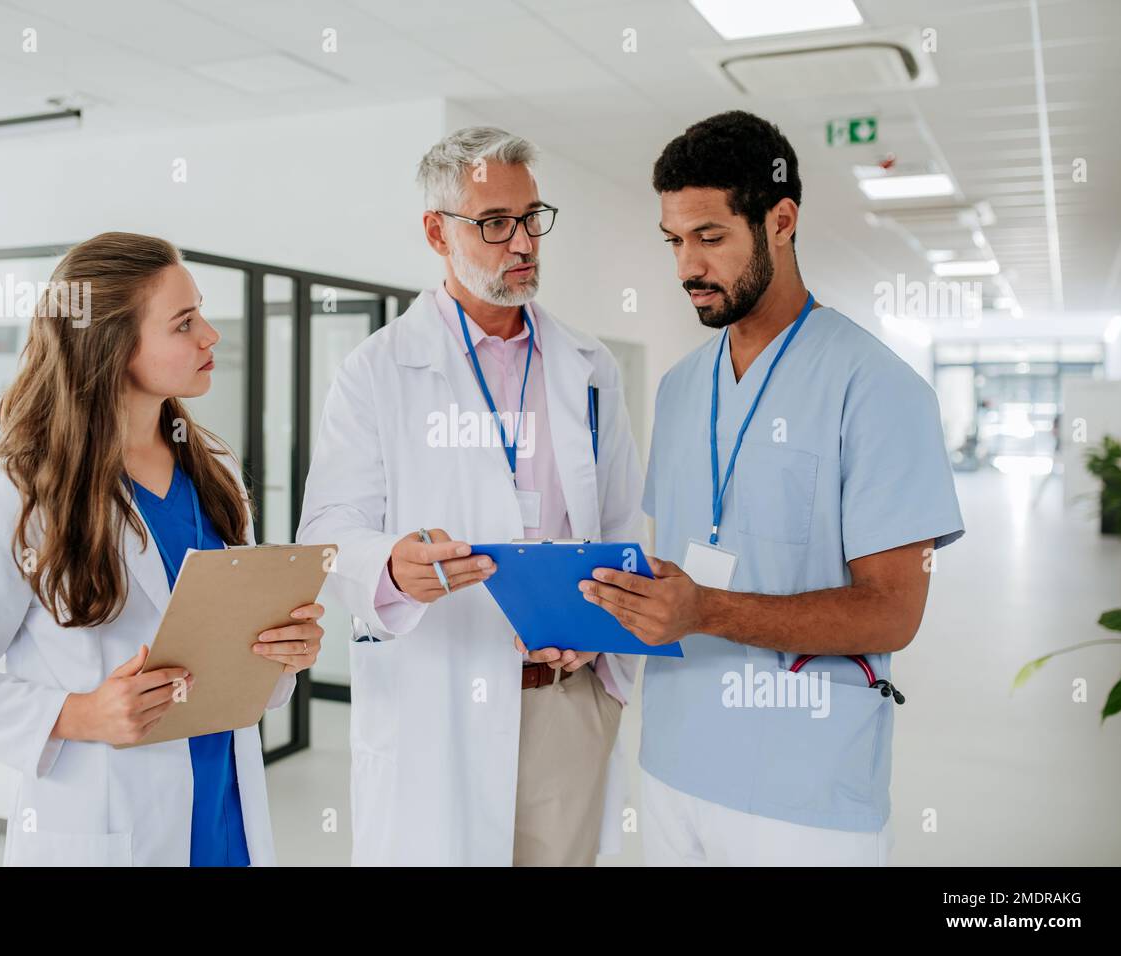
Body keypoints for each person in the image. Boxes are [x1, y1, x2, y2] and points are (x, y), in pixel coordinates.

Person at [580, 111, 965, 865]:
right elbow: (678, 564)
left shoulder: (880, 389)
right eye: (674, 240)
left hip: (807, 792)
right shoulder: (682, 387)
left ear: (780, 221)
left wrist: (705, 610)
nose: (687, 264)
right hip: (672, 764)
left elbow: (893, 610)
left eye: (711, 236)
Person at [0, 232, 323, 866]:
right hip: (106, 827)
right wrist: (78, 714)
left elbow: (233, 665)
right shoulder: (23, 492)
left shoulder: (216, 471)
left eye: (200, 313)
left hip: (223, 817)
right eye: (184, 323)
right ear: (113, 345)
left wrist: (282, 656)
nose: (211, 335)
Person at [297, 127, 645, 866]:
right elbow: (328, 528)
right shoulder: (378, 371)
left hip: (563, 697)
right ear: (437, 231)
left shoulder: (588, 368)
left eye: (531, 218)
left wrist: (605, 641)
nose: (522, 243)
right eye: (494, 224)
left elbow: (619, 517)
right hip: (437, 697)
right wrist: (390, 564)